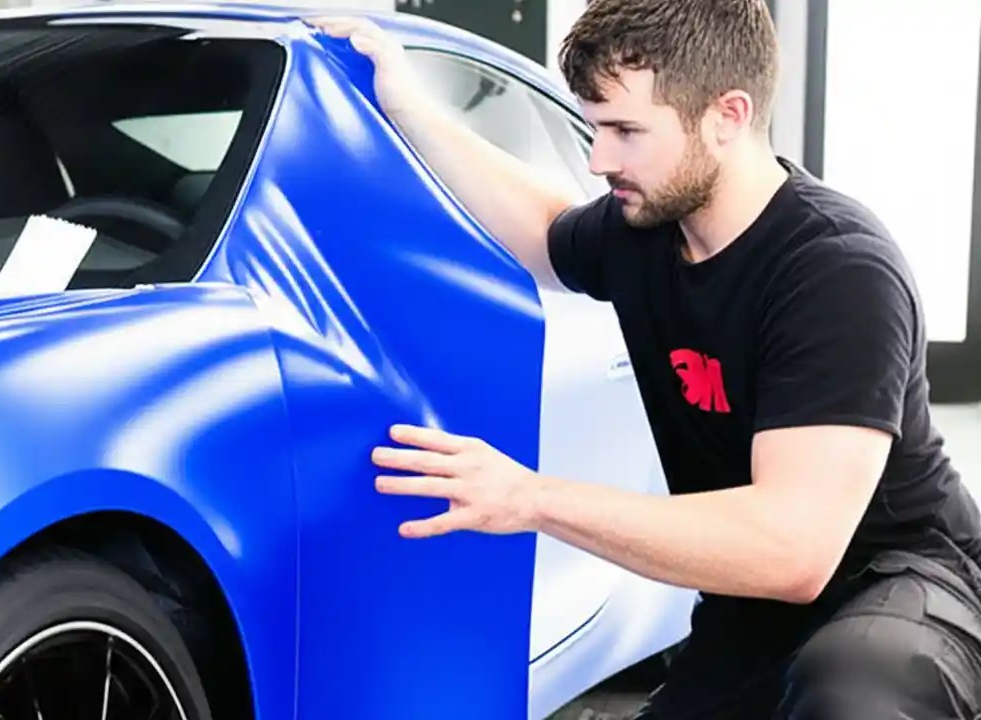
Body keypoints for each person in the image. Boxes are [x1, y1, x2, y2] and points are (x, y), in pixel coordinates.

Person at [313, 2, 981, 718]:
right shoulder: (647, 231)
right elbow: (544, 229)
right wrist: (411, 106)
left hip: (898, 586)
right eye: (596, 126)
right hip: (753, 613)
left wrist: (530, 496)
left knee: (854, 692)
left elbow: (794, 548)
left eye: (626, 131)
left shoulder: (837, 271)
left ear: (727, 115)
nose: (599, 159)